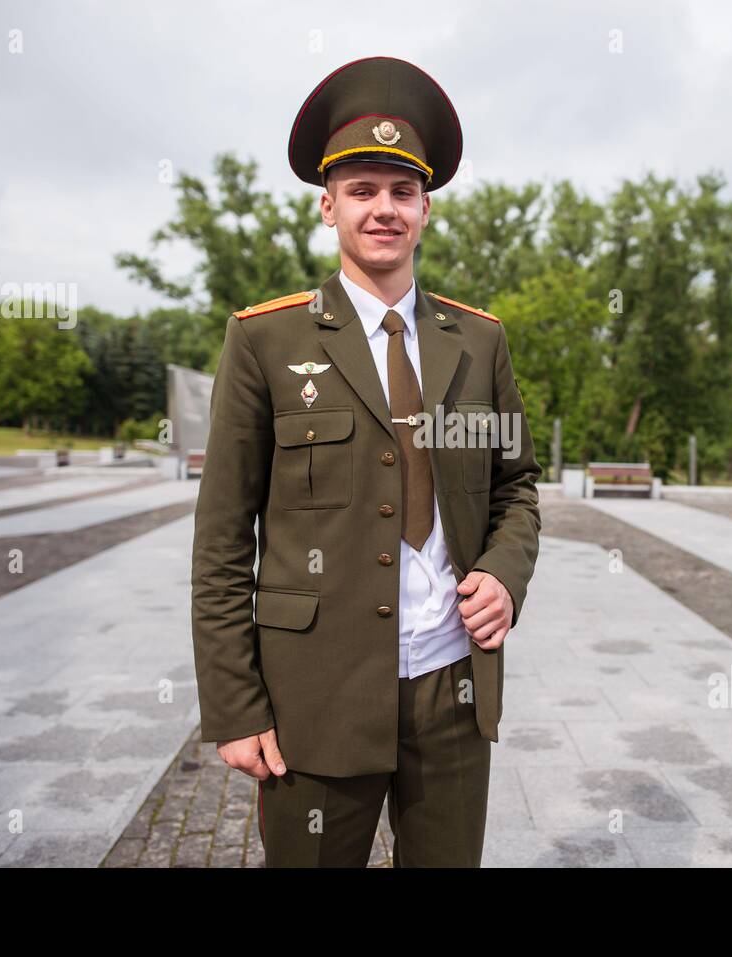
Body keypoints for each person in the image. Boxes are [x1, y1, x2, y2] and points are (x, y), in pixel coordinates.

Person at [190, 55, 541, 867]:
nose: (384, 209)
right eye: (362, 190)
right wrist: (235, 705)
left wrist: (504, 574)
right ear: (328, 205)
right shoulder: (266, 340)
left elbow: (516, 486)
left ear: (425, 208)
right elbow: (221, 537)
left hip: (453, 686)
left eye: (402, 191)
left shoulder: (478, 341)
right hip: (316, 695)